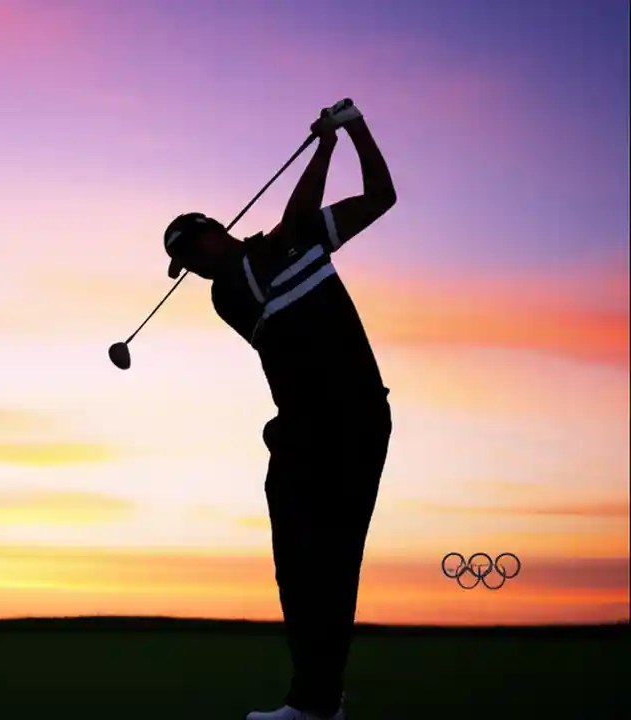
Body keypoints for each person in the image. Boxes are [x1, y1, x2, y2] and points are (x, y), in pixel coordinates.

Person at [162, 99, 396, 720]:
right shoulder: (230, 292)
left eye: (191, 249)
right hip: (303, 432)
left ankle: (318, 703)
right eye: (183, 263)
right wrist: (325, 145)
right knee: (300, 566)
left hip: (358, 419)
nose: (191, 265)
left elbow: (382, 196)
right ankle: (317, 700)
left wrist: (356, 129)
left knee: (332, 562)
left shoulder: (286, 247)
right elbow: (293, 228)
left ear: (216, 232)